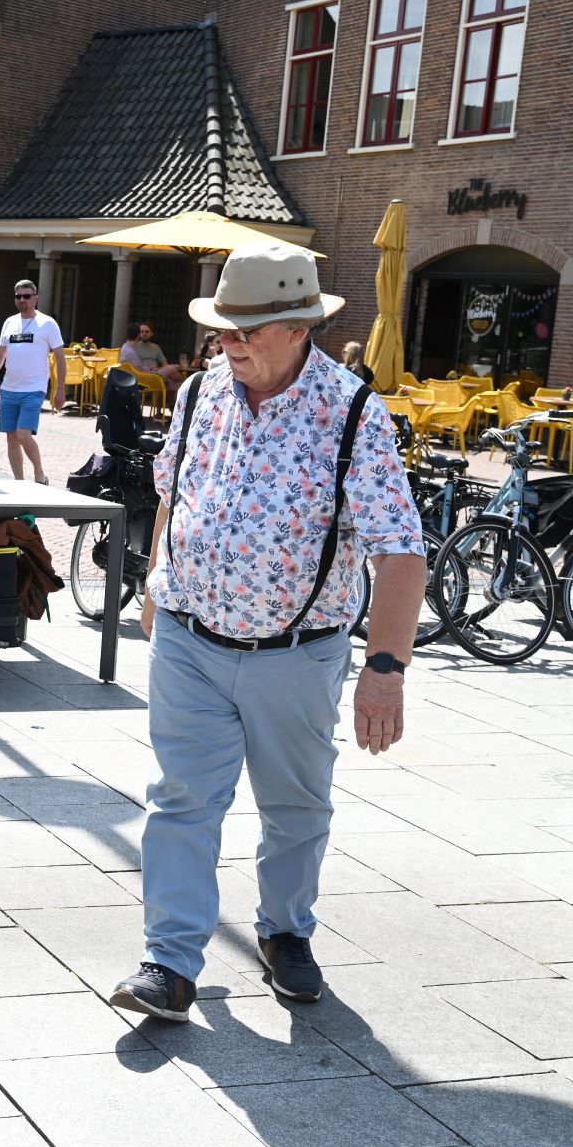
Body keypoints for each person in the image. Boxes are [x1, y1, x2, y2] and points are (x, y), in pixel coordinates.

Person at [110, 242, 425, 1023]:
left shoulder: (352, 411)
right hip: (188, 635)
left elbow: (399, 550)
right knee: (181, 800)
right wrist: (156, 581)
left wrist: (383, 671)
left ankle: (285, 934)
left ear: (295, 327)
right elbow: (173, 490)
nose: (226, 343)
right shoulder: (201, 393)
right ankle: (170, 962)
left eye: (242, 331)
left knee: (295, 808)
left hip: (294, 653)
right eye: (222, 330)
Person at [0, 279, 66, 484]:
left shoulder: (47, 323)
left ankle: (39, 473)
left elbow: (60, 357)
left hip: (34, 389)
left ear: (35, 298)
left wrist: (60, 390)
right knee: (11, 437)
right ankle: (19, 483)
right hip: (9, 389)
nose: (22, 300)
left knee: (23, 434)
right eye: (18, 296)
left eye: (26, 296)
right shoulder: (9, 322)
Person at [120, 321, 184, 393]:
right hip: (146, 379)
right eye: (142, 332)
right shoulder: (132, 350)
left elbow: (164, 363)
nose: (144, 334)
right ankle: (187, 382)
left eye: (147, 332)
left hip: (149, 374)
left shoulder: (129, 348)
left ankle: (184, 387)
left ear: (151, 333)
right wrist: (151, 372)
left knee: (179, 386)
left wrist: (155, 369)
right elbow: (138, 371)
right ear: (139, 334)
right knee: (171, 368)